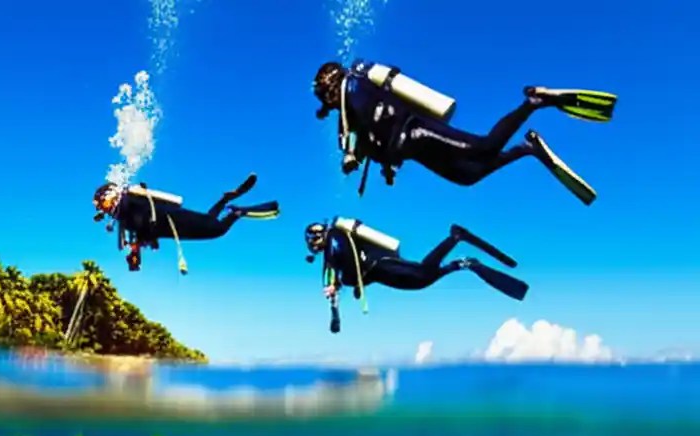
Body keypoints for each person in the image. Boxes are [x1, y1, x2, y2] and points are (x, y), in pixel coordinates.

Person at [312, 60, 618, 205]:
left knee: (485, 147)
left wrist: (353, 153)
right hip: (414, 151)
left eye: (325, 96)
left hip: (416, 132)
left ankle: (534, 102)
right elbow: (366, 141)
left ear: (330, 87)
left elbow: (364, 131)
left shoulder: (354, 87)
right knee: (467, 177)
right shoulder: (350, 112)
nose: (327, 102)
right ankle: (527, 148)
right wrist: (362, 158)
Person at [305, 219, 529, 334]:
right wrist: (338, 294)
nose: (314, 246)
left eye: (313, 241)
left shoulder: (335, 241)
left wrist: (337, 288)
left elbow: (344, 267)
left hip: (383, 266)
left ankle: (455, 238)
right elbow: (343, 270)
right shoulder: (333, 251)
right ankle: (461, 263)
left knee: (422, 275)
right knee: (422, 279)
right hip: (383, 271)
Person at [92, 173, 280, 273]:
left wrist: (136, 251)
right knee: (209, 221)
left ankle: (237, 212)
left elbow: (141, 224)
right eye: (101, 207)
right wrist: (135, 255)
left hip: (176, 221)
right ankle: (224, 200)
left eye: (103, 204)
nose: (103, 209)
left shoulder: (127, 204)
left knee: (217, 229)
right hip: (175, 223)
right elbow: (140, 232)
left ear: (112, 196)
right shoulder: (124, 216)